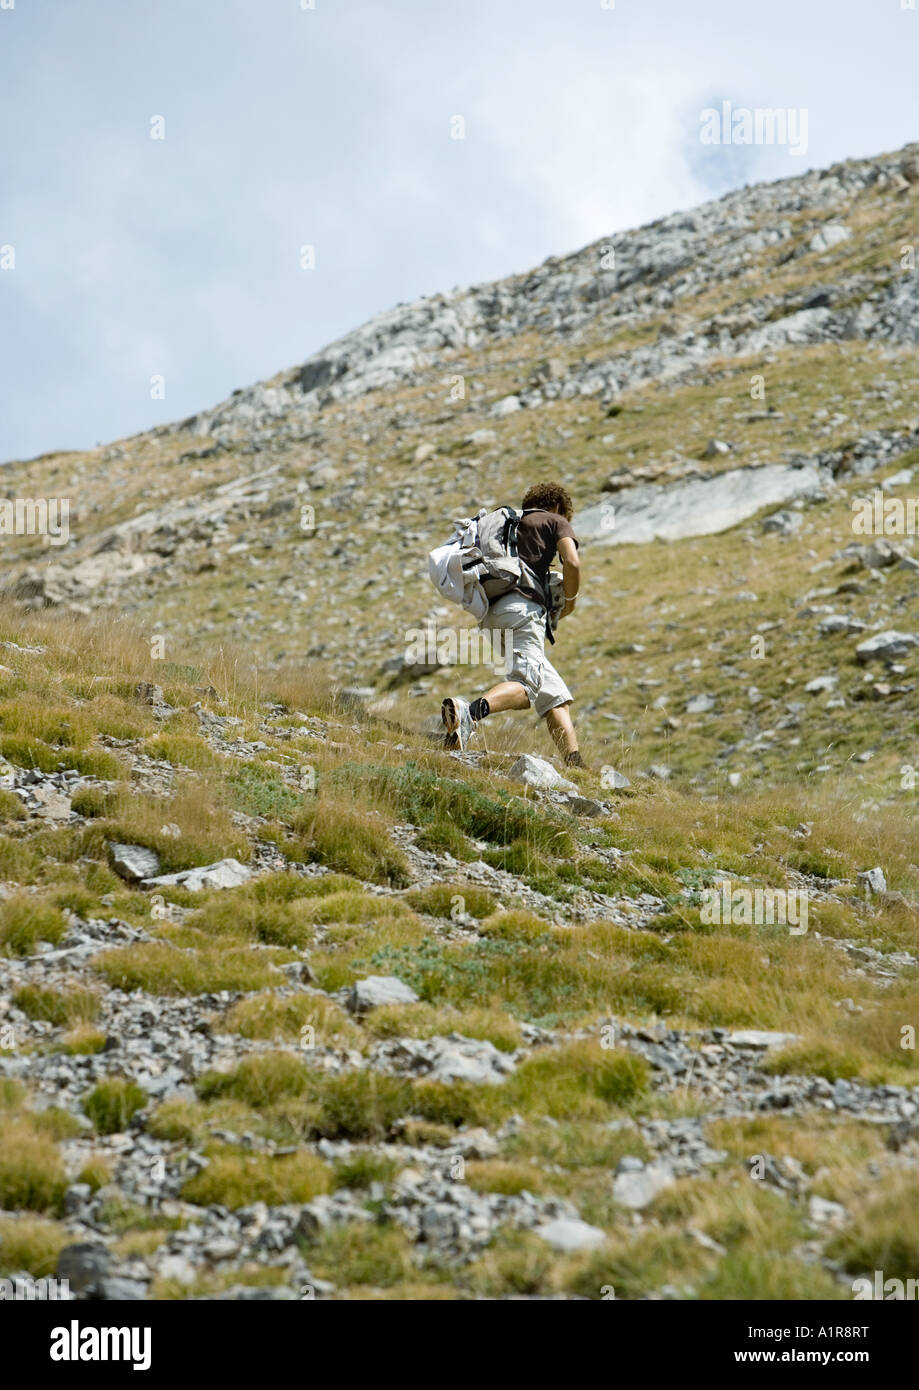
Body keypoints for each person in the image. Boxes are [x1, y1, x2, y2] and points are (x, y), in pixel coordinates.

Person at [441, 481, 585, 767]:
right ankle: (468, 713)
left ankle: (575, 763)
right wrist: (570, 601)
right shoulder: (554, 519)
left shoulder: (507, 524)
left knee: (553, 694)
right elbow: (572, 562)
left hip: (491, 613)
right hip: (522, 611)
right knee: (525, 686)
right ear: (557, 506)